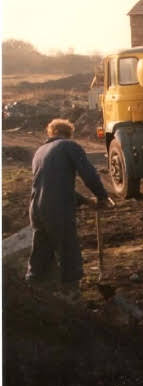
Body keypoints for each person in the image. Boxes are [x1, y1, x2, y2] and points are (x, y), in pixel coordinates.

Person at [26, 118, 113, 301]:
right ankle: (71, 294)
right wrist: (102, 196)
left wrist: (86, 201)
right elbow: (88, 173)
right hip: (57, 210)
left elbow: (53, 186)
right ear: (68, 134)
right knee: (68, 249)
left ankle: (33, 293)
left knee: (41, 251)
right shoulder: (68, 146)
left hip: (36, 210)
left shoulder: (39, 152)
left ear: (51, 133)